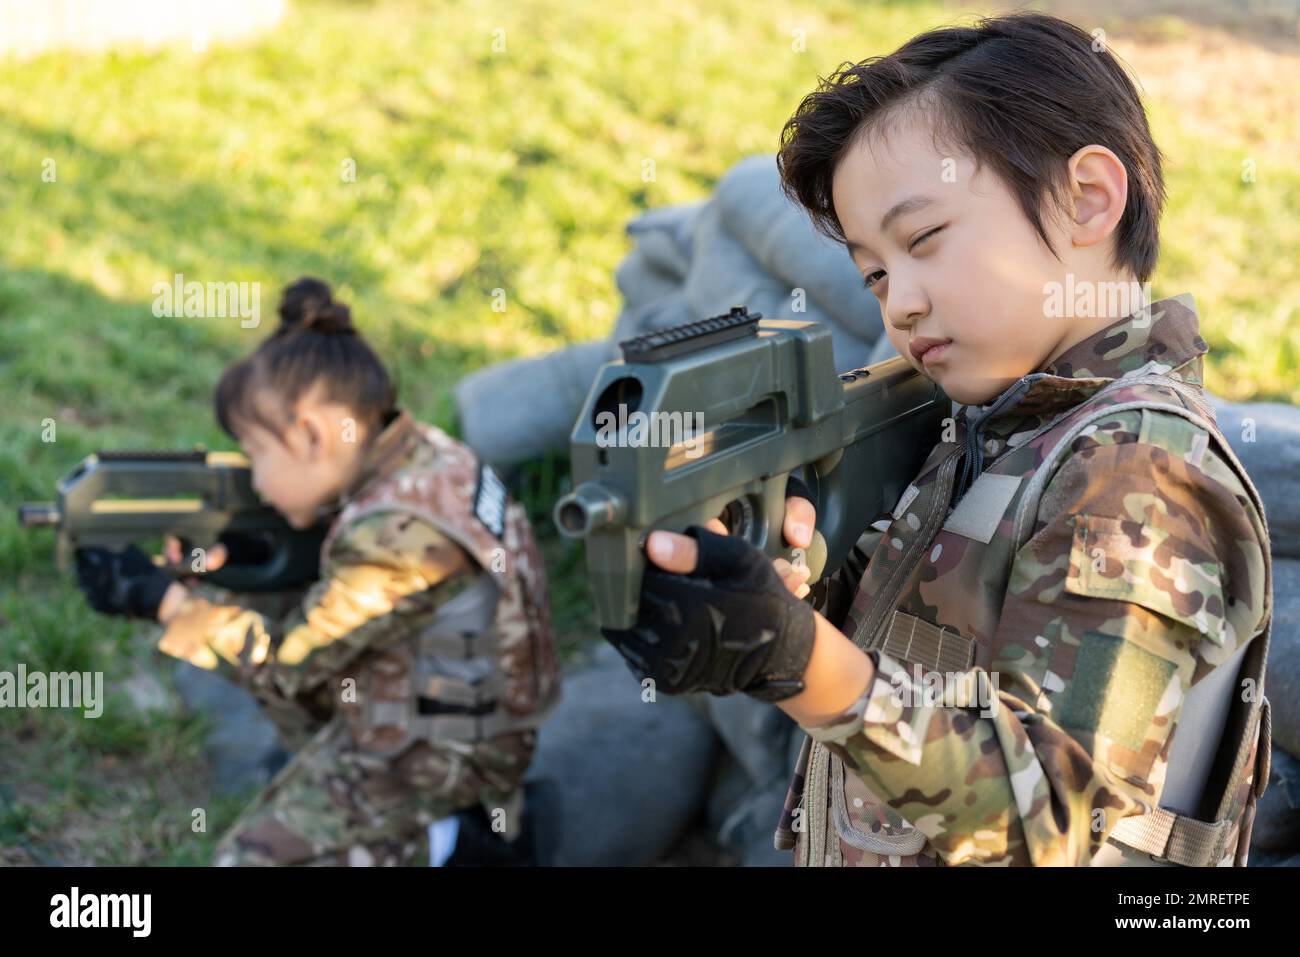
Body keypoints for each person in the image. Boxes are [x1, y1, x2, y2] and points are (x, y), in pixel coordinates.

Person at [600, 12, 1273, 867]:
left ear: (1089, 200)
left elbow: (1063, 815)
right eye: (874, 272)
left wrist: (797, 658)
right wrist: (787, 591)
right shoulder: (1002, 427)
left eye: (924, 240)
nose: (901, 303)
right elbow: (940, 661)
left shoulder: (1138, 471)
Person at [75, 277, 561, 865]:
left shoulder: (392, 536)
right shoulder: (427, 457)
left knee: (248, 861)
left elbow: (289, 665)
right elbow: (342, 588)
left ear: (310, 435)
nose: (254, 480)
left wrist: (165, 604)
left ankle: (453, 844)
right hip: (463, 712)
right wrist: (246, 559)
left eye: (256, 455)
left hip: (444, 760)